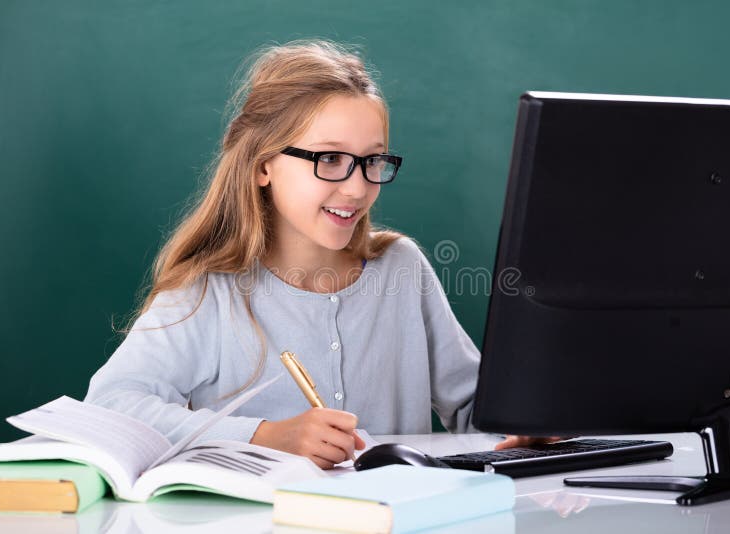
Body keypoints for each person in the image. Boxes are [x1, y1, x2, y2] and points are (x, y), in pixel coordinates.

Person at [85, 40, 486, 469]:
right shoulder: (211, 290)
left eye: (373, 160)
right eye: (330, 158)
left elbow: (476, 405)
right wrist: (265, 436)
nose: (356, 188)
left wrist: (523, 424)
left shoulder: (402, 266)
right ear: (263, 165)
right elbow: (110, 405)